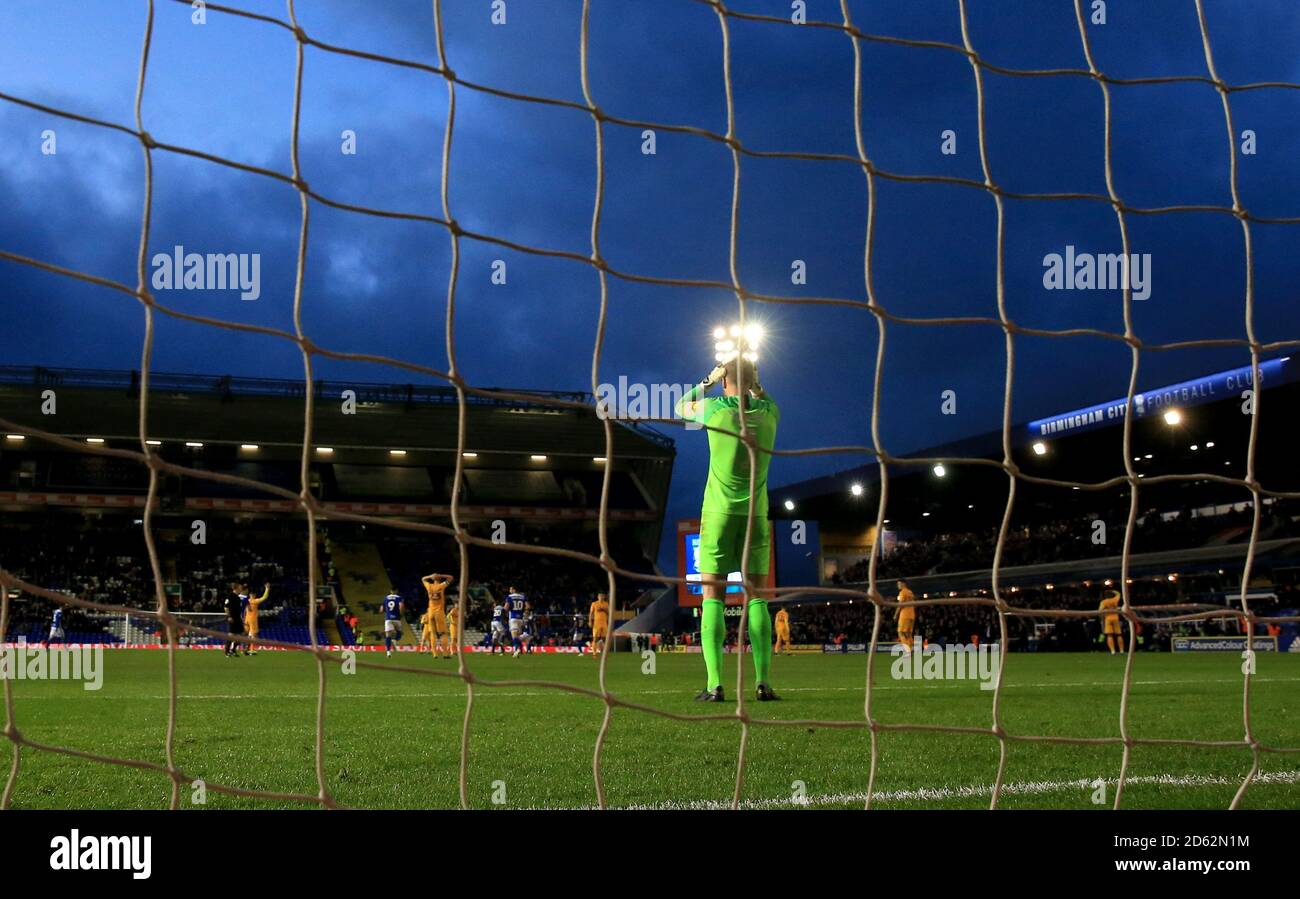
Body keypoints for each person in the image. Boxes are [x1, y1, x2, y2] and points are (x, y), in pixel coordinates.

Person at [674, 352, 780, 702]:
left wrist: (707, 379)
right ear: (754, 381)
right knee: (757, 599)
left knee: (712, 599)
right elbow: (764, 398)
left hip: (719, 516)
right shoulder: (769, 414)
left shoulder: (715, 410)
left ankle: (714, 684)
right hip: (756, 517)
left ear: (723, 381)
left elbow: (681, 406)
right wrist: (755, 383)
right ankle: (763, 683)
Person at [420, 572, 454, 659]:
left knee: (433, 633)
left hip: (430, 612)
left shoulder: (429, 586)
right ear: (439, 580)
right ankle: (445, 654)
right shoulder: (441, 586)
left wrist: (430, 576)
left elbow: (423, 578)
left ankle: (435, 654)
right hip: (439, 612)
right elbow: (450, 577)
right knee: (443, 633)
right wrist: (441, 575)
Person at [224, 583, 247, 657]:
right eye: (240, 587)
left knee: (243, 634)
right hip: (233, 618)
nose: (241, 589)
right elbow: (226, 607)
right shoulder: (230, 596)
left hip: (238, 618)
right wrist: (229, 617)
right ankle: (227, 652)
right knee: (231, 635)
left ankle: (233, 649)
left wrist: (241, 618)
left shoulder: (238, 597)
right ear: (236, 588)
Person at [244, 582, 269, 654]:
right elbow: (264, 597)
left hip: (246, 619)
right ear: (254, 595)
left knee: (248, 635)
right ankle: (251, 649)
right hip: (252, 620)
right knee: (254, 635)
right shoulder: (254, 601)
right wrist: (267, 589)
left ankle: (246, 649)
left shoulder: (246, 601)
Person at [1099, 589, 1124, 655]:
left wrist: (1103, 615)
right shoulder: (1115, 600)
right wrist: (1112, 590)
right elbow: (1118, 594)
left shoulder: (1103, 602)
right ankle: (1121, 651)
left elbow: (1100, 611)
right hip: (1116, 618)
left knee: (1109, 635)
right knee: (1119, 635)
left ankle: (1113, 651)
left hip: (1108, 619)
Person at [382, 590, 404, 657]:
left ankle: (388, 652)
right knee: (400, 632)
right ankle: (394, 640)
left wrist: (386, 612)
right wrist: (401, 614)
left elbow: (381, 609)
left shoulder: (386, 598)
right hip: (397, 618)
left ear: (391, 591)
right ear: (396, 591)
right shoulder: (399, 597)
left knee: (388, 635)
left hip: (388, 618)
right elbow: (401, 606)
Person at [896, 580, 916, 654]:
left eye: (899, 584)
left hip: (904, 615)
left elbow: (900, 604)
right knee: (908, 633)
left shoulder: (903, 592)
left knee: (900, 632)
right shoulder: (910, 592)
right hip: (912, 615)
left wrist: (895, 614)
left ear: (904, 584)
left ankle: (908, 650)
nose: (898, 585)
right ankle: (911, 648)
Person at [588, 592, 610, 657]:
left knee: (604, 639)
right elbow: (591, 613)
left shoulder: (606, 604)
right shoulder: (594, 604)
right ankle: (594, 653)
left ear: (604, 597)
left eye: (602, 596)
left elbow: (608, 613)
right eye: (600, 596)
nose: (601, 597)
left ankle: (605, 653)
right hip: (596, 623)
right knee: (595, 638)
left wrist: (604, 609)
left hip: (604, 623)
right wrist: (590, 621)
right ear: (598, 597)